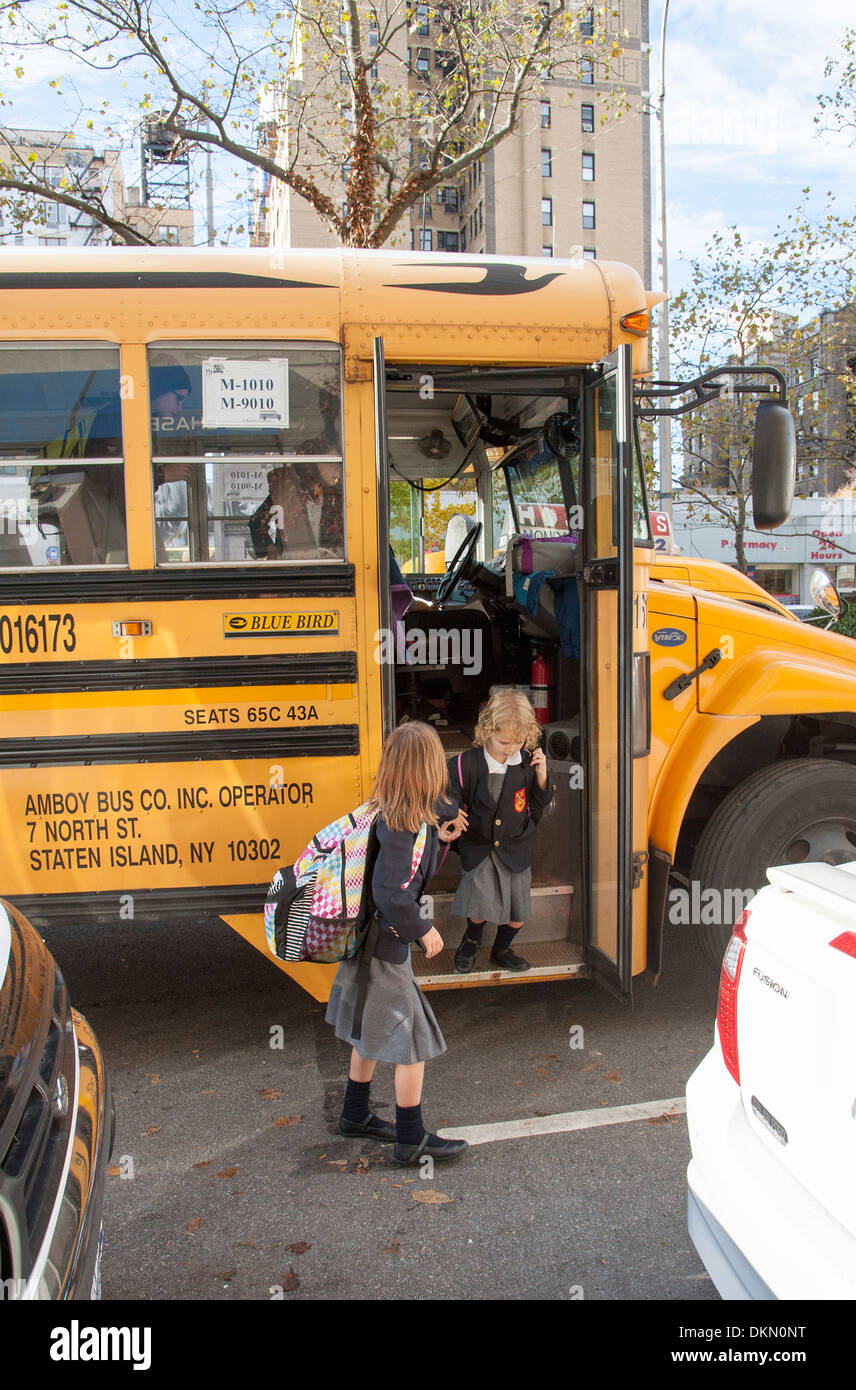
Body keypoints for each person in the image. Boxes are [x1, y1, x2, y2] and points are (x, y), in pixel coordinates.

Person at [326, 721, 469, 1165]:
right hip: (384, 950)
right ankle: (411, 1140)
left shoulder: (394, 812)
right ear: (425, 770)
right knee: (413, 1043)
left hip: (369, 944)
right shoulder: (402, 825)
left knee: (368, 1032)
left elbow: (401, 872)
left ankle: (354, 1114)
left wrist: (440, 839)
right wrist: (423, 929)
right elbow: (390, 891)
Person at [448, 688, 554, 974]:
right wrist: (450, 811)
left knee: (518, 913)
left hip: (515, 846)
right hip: (479, 845)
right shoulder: (463, 764)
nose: (510, 748)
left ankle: (502, 948)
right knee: (478, 906)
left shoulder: (529, 765)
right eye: (503, 741)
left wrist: (543, 777)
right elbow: (448, 793)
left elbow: (537, 804)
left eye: (518, 742)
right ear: (485, 731)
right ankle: (471, 940)